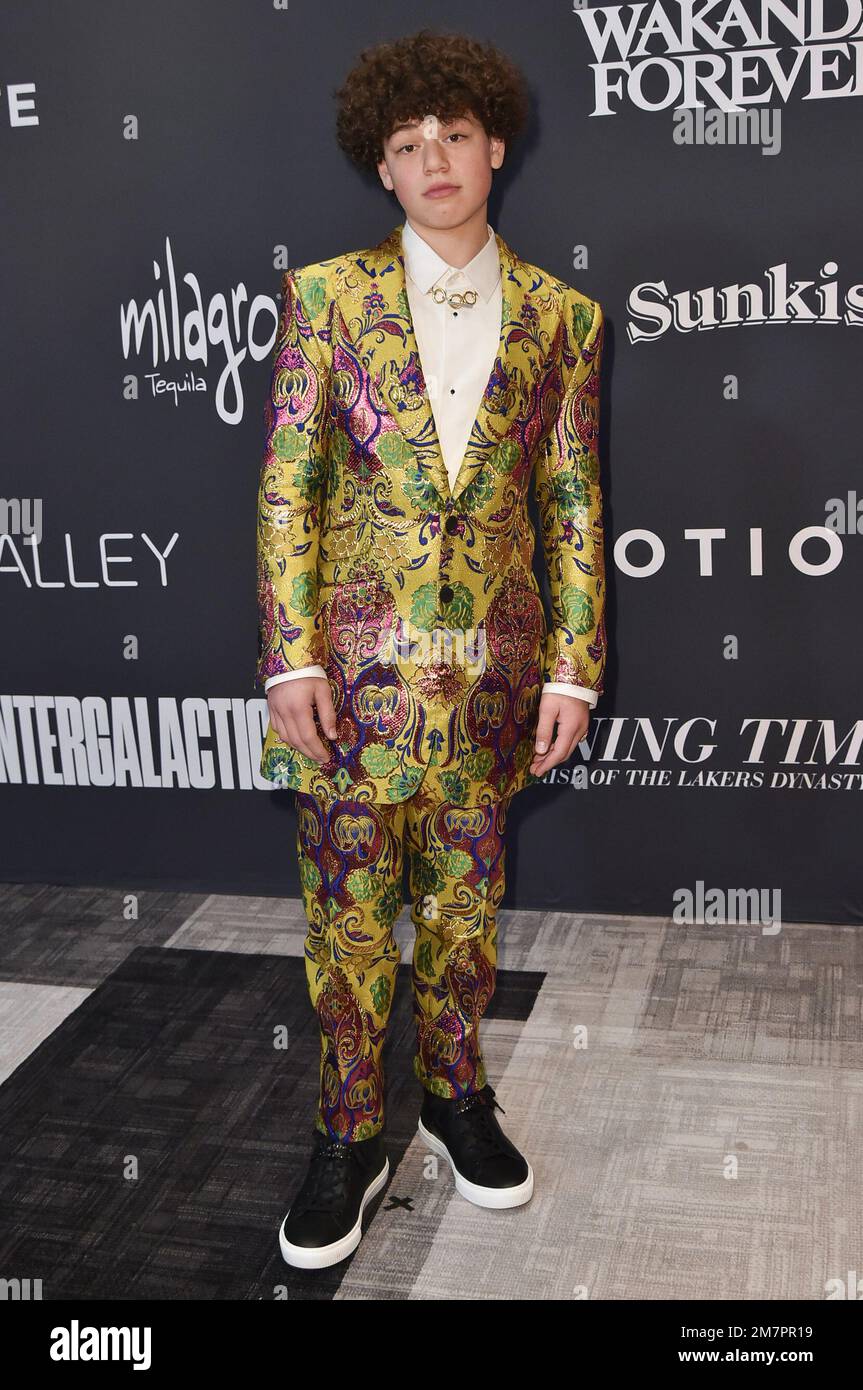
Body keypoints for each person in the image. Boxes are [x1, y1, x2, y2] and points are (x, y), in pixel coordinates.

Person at [255, 28, 607, 1269]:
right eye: (408, 145)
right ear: (384, 170)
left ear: (493, 146)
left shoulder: (565, 319)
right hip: (348, 684)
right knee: (347, 919)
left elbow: (570, 501)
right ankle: (348, 1132)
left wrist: (573, 666)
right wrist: (290, 656)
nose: (435, 159)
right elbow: (289, 488)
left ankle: (455, 1100)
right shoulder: (323, 299)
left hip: (495, 680)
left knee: (464, 909)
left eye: (454, 134)